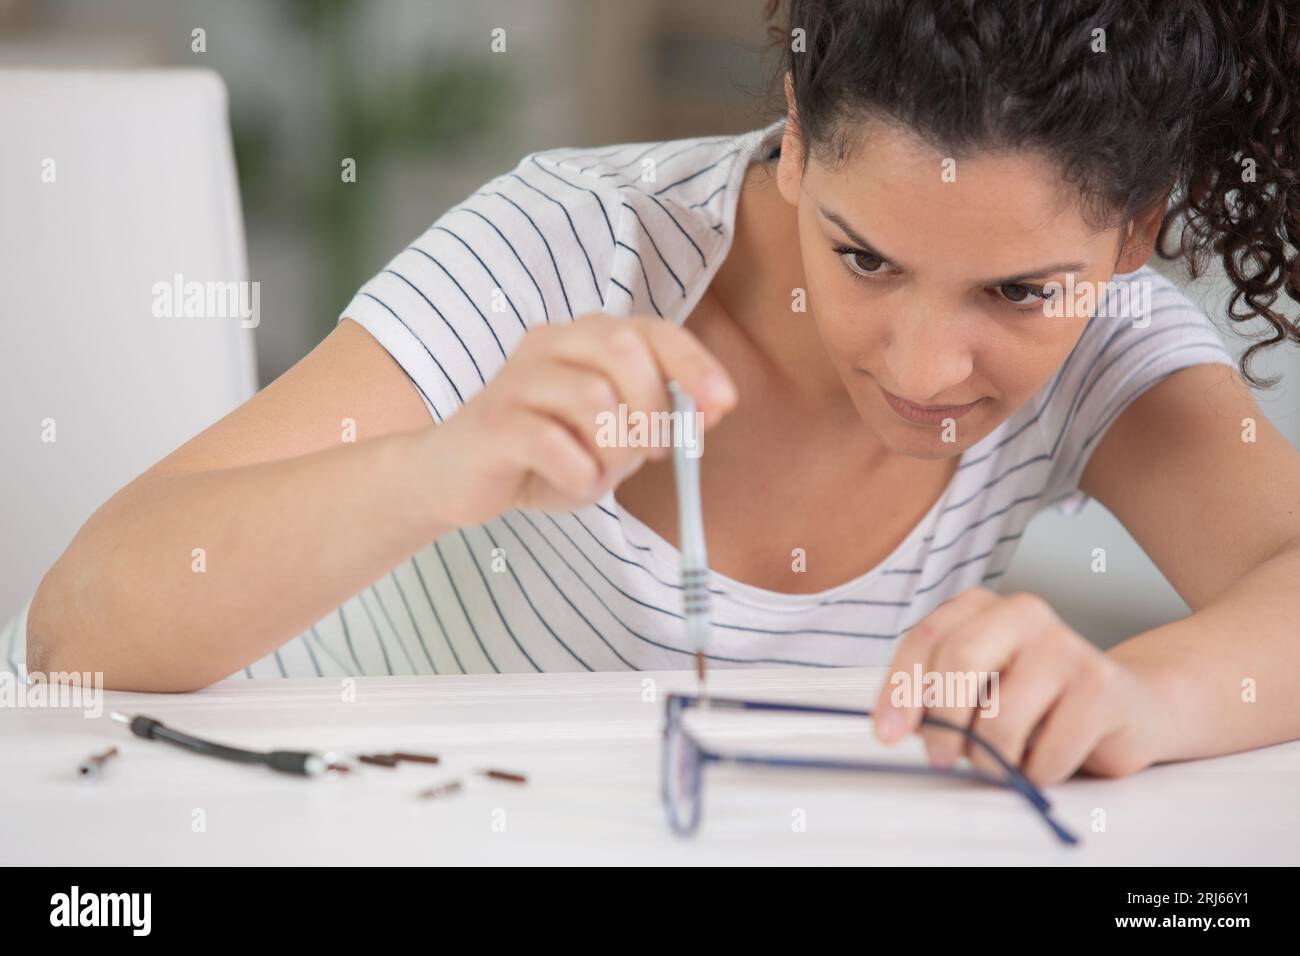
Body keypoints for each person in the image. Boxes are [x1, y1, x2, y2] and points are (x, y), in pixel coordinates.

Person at [15, 0, 1300, 787]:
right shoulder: (568, 246)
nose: (919, 370)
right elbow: (78, 636)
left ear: (1135, 233)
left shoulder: (1108, 334)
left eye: (1016, 293)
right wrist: (446, 464)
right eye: (864, 257)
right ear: (795, 139)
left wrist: (1140, 696)